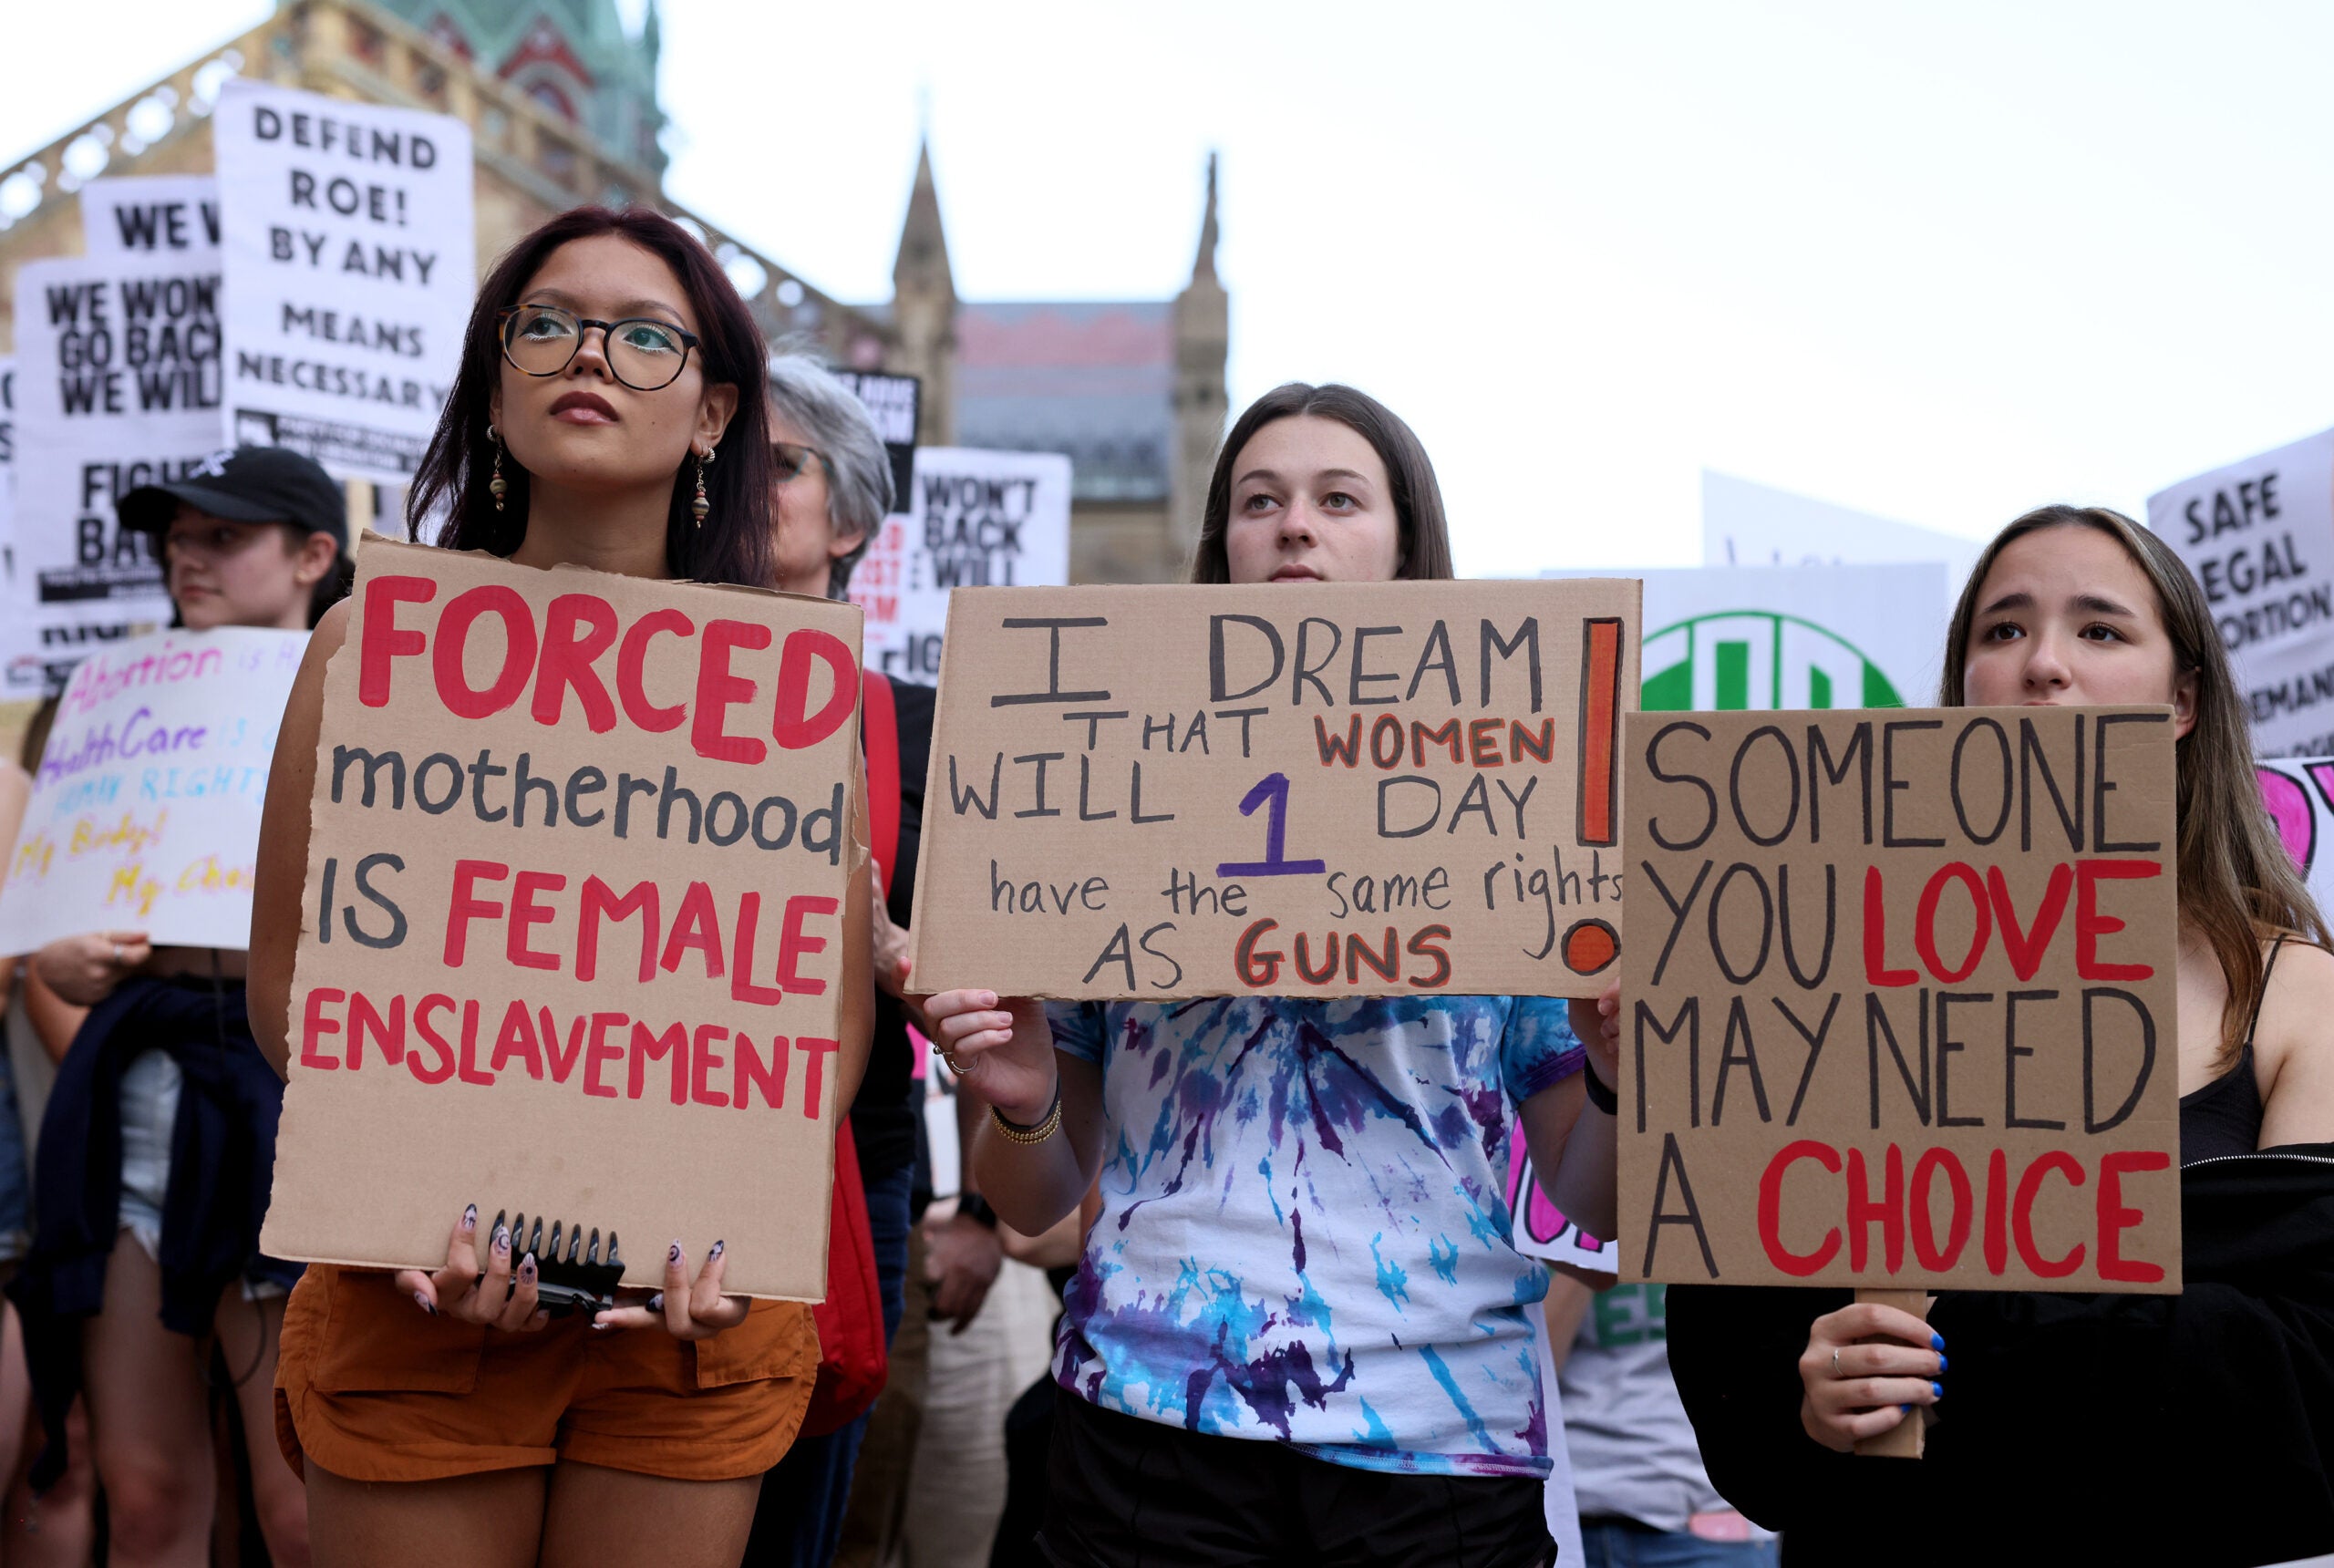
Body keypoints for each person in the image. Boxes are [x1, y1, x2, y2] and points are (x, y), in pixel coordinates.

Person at [247, 206, 869, 1568]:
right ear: (495, 378)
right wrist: (420, 1199)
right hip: (420, 1298)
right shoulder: (368, 648)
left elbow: (818, 1039)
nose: (592, 352)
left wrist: (694, 1211)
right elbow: (292, 992)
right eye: (549, 324)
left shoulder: (786, 693)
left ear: (713, 413)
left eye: (645, 335)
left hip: (689, 1323)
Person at [924, 382, 1623, 1568]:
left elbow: (1596, 1201)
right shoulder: (1103, 787)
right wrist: (1025, 1095)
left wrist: (1615, 1077)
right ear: (1223, 545)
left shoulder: (1527, 801)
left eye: (1337, 498)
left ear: (1405, 545)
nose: (1294, 525)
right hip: (1148, 1431)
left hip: (1441, 1449)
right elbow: (1037, 1197)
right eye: (1260, 501)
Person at [1623, 505, 2334, 1566]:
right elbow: (1736, 1364)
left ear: (2181, 702)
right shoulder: (1803, 979)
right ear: (1961, 687)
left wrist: (1960, 1319)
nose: (2042, 664)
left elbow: (2312, 1377)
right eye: (2001, 631)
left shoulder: (2293, 996)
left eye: (2098, 630)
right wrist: (1805, 1398)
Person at [7, 444, 349, 1568]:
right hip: (130, 1097)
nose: (187, 559)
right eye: (177, 537)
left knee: (303, 1500)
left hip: (291, 1101)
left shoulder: (373, 704)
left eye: (223, 536)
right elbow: (51, 912)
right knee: (145, 1491)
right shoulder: (99, 703)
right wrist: (57, 960)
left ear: (313, 555)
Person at [742, 354, 1003, 1567]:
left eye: (778, 462)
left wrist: (912, 964)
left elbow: (1007, 994)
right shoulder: (601, 700)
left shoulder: (919, 728)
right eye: (720, 459)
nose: (741, 482)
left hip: (839, 1179)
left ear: (849, 520)